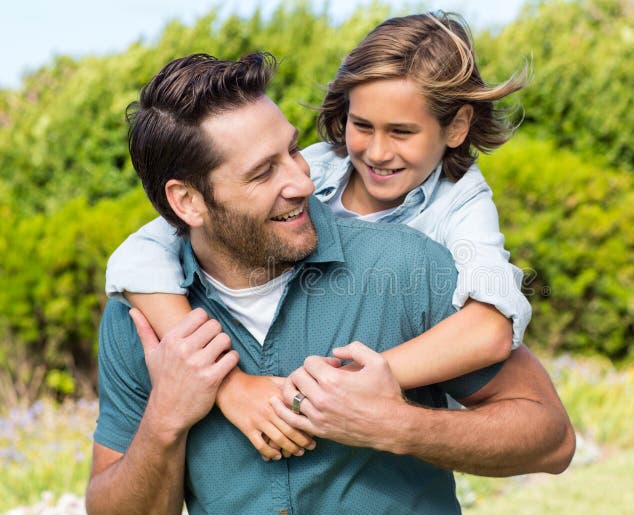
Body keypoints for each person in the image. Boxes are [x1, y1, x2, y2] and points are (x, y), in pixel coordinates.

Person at [85, 52, 574, 515]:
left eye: (294, 150)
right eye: (263, 172)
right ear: (187, 201)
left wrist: (399, 425)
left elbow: (551, 440)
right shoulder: (142, 321)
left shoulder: (406, 265)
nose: (302, 182)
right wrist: (165, 419)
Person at [105, 11, 533, 460]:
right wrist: (229, 386)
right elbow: (138, 255)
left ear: (457, 126)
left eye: (402, 132)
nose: (377, 152)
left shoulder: (461, 203)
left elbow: (491, 328)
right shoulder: (318, 166)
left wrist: (347, 382)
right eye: (361, 125)